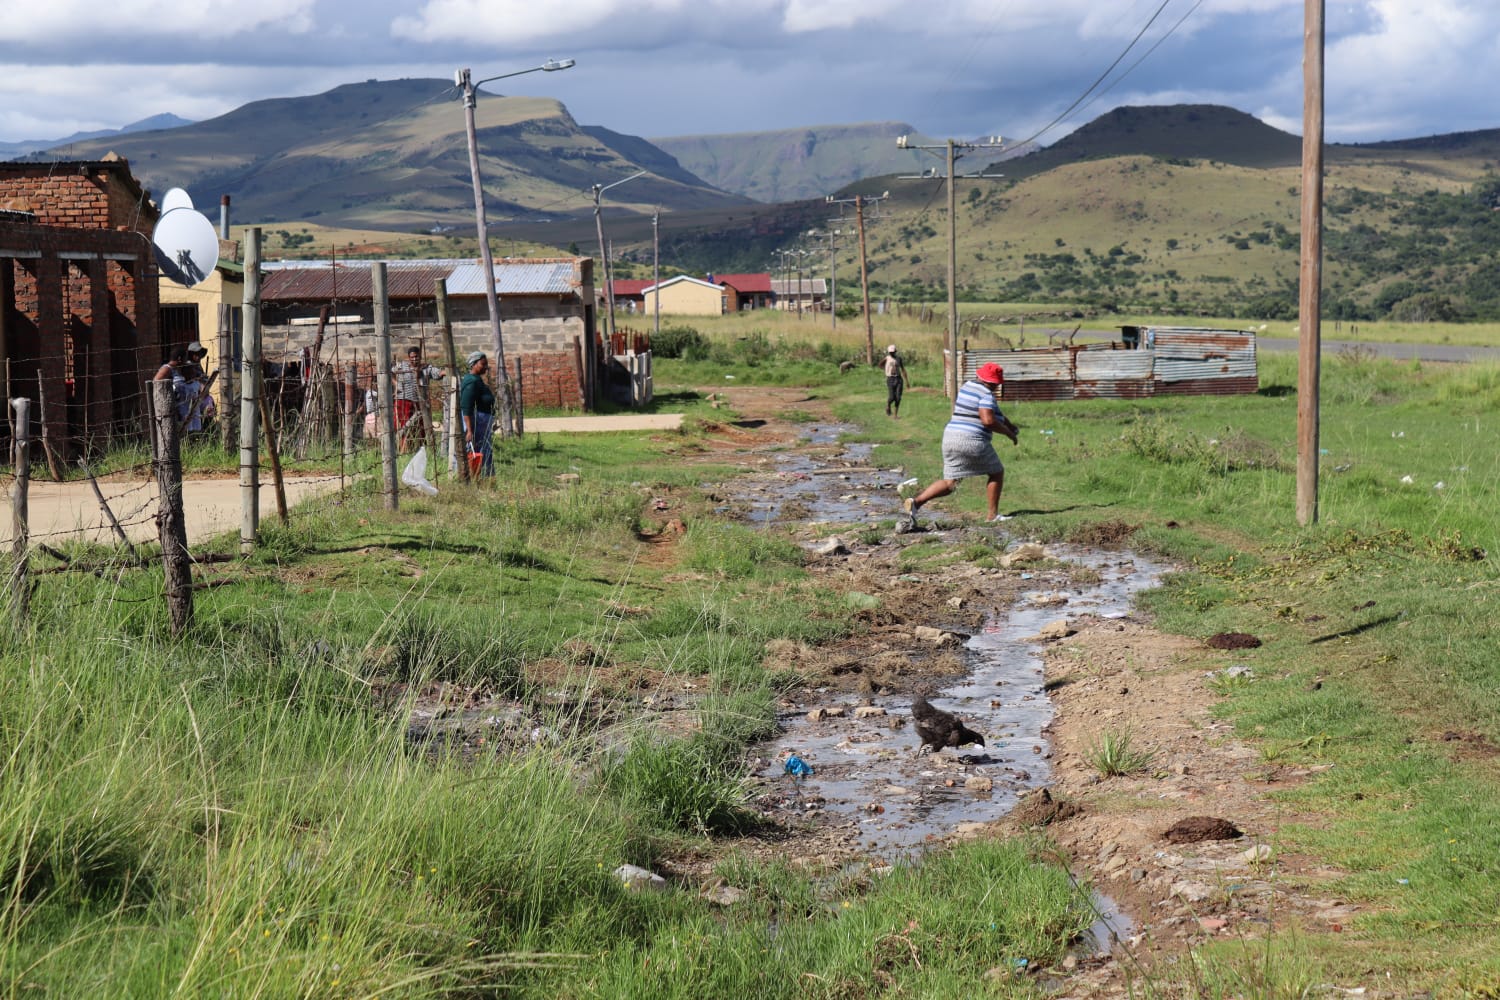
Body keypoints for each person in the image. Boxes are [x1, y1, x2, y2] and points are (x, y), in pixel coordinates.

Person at [902, 362, 1018, 527]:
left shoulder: (968, 386)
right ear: (993, 382)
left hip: (950, 437)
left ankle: (916, 502)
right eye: (996, 383)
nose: (997, 386)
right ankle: (992, 515)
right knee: (996, 473)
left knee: (950, 482)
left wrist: (1010, 426)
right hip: (971, 441)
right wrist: (1008, 433)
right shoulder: (987, 394)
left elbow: (995, 413)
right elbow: (988, 419)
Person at [392, 345, 444, 451]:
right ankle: (404, 450)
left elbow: (438, 373)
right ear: (409, 357)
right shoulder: (401, 366)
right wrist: (396, 384)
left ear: (420, 356)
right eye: (412, 357)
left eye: (416, 357)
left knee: (420, 427)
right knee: (404, 426)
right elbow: (390, 372)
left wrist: (447, 371)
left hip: (420, 402)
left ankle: (420, 449)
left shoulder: (426, 368)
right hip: (404, 401)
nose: (414, 359)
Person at [459, 350, 495, 478]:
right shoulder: (471, 382)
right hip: (477, 424)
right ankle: (481, 477)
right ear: (473, 364)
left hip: (482, 424)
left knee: (484, 449)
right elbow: (466, 407)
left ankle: (486, 478)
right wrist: (469, 430)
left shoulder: (476, 380)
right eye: (483, 364)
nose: (485, 367)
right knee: (480, 451)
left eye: (486, 364)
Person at [882, 344, 909, 418]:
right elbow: (880, 364)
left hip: (898, 379)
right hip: (890, 379)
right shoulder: (887, 358)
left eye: (893, 352)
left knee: (898, 397)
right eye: (890, 352)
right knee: (892, 397)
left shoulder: (898, 359)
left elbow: (903, 369)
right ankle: (888, 405)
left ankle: (895, 415)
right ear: (889, 352)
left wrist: (907, 381)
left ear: (895, 351)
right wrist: (885, 370)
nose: (892, 353)